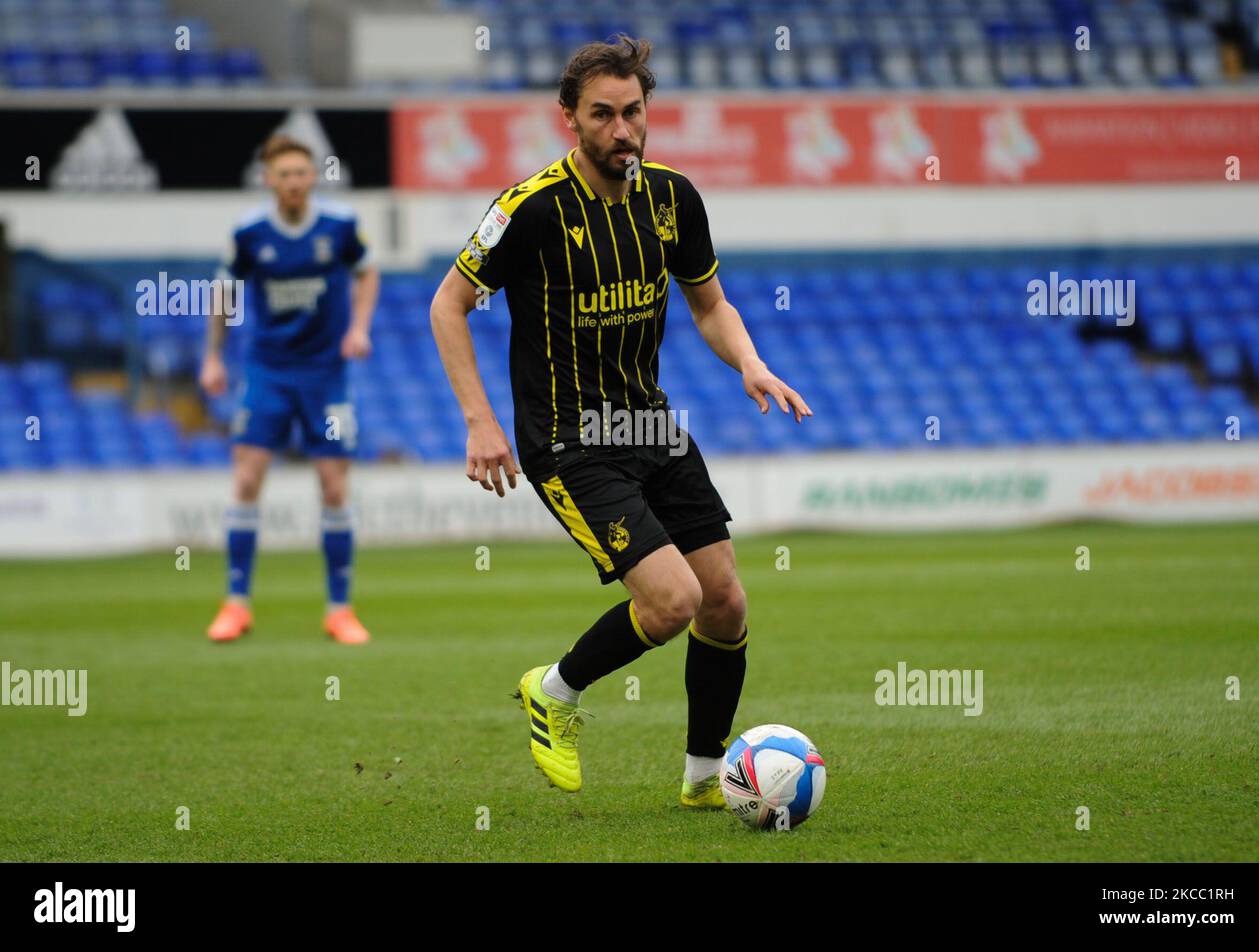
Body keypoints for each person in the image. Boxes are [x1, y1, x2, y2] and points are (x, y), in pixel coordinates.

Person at [429, 36, 811, 805]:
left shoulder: (673, 197)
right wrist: (479, 421)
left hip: (651, 428)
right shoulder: (527, 209)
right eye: (602, 114)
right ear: (569, 118)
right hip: (570, 440)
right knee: (673, 601)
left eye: (632, 112)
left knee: (727, 601)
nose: (621, 129)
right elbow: (447, 304)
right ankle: (555, 691)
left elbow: (709, 303)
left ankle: (706, 779)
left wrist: (750, 362)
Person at [200, 133, 379, 645]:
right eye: (285, 174)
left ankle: (339, 609)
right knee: (248, 481)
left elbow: (367, 272)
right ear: (269, 180)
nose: (295, 181)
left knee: (334, 486)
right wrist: (213, 356)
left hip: (326, 376)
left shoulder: (340, 225)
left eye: (303, 172)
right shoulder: (250, 232)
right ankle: (235, 604)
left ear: (312, 177)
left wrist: (359, 327)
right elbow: (224, 290)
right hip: (268, 374)